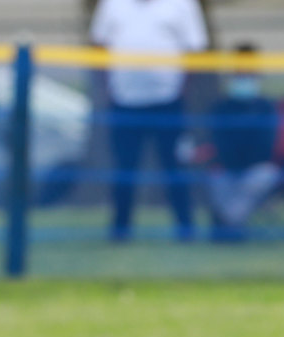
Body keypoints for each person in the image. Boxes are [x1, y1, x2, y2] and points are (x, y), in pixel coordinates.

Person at [89, 0, 209, 242]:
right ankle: (120, 230)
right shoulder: (112, 4)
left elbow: (194, 50)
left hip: (168, 103)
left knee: (174, 167)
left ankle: (186, 228)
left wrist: (180, 92)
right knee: (124, 169)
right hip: (124, 103)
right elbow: (99, 46)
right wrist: (108, 90)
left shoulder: (183, 5)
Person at [202, 43, 280, 242]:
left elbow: (266, 146)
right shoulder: (222, 107)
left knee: (263, 176)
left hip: (256, 169)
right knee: (217, 179)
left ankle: (228, 225)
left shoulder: (265, 107)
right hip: (228, 168)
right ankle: (233, 228)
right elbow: (218, 142)